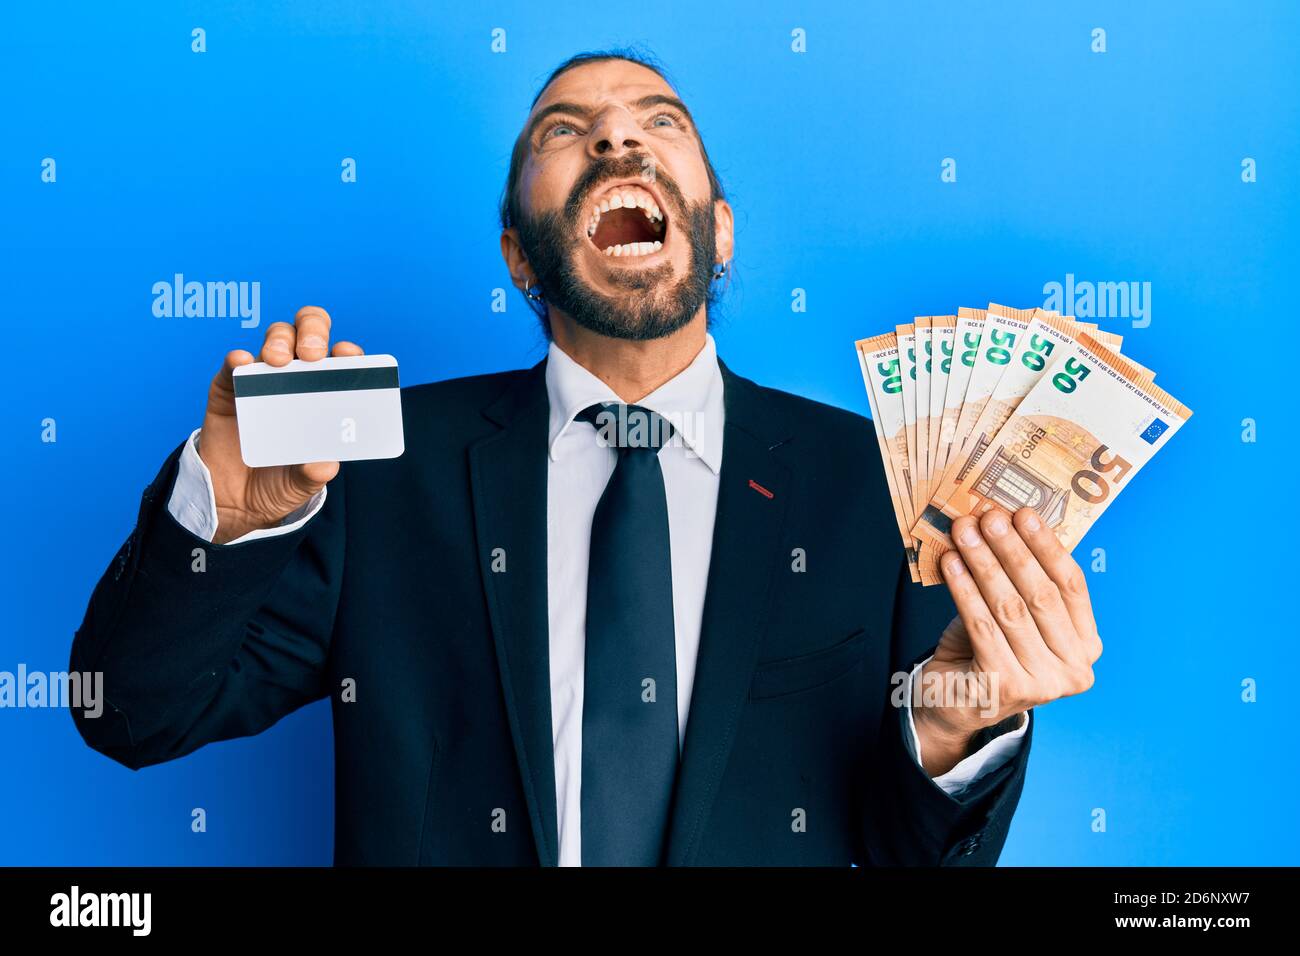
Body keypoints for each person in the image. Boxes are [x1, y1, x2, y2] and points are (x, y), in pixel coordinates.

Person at [70, 50, 1101, 866]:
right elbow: (129, 714)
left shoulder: (876, 485)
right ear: (519, 250)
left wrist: (957, 724)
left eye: (661, 121)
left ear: (720, 230)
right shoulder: (374, 474)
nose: (616, 133)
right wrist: (225, 522)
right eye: (564, 130)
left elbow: (911, 852)